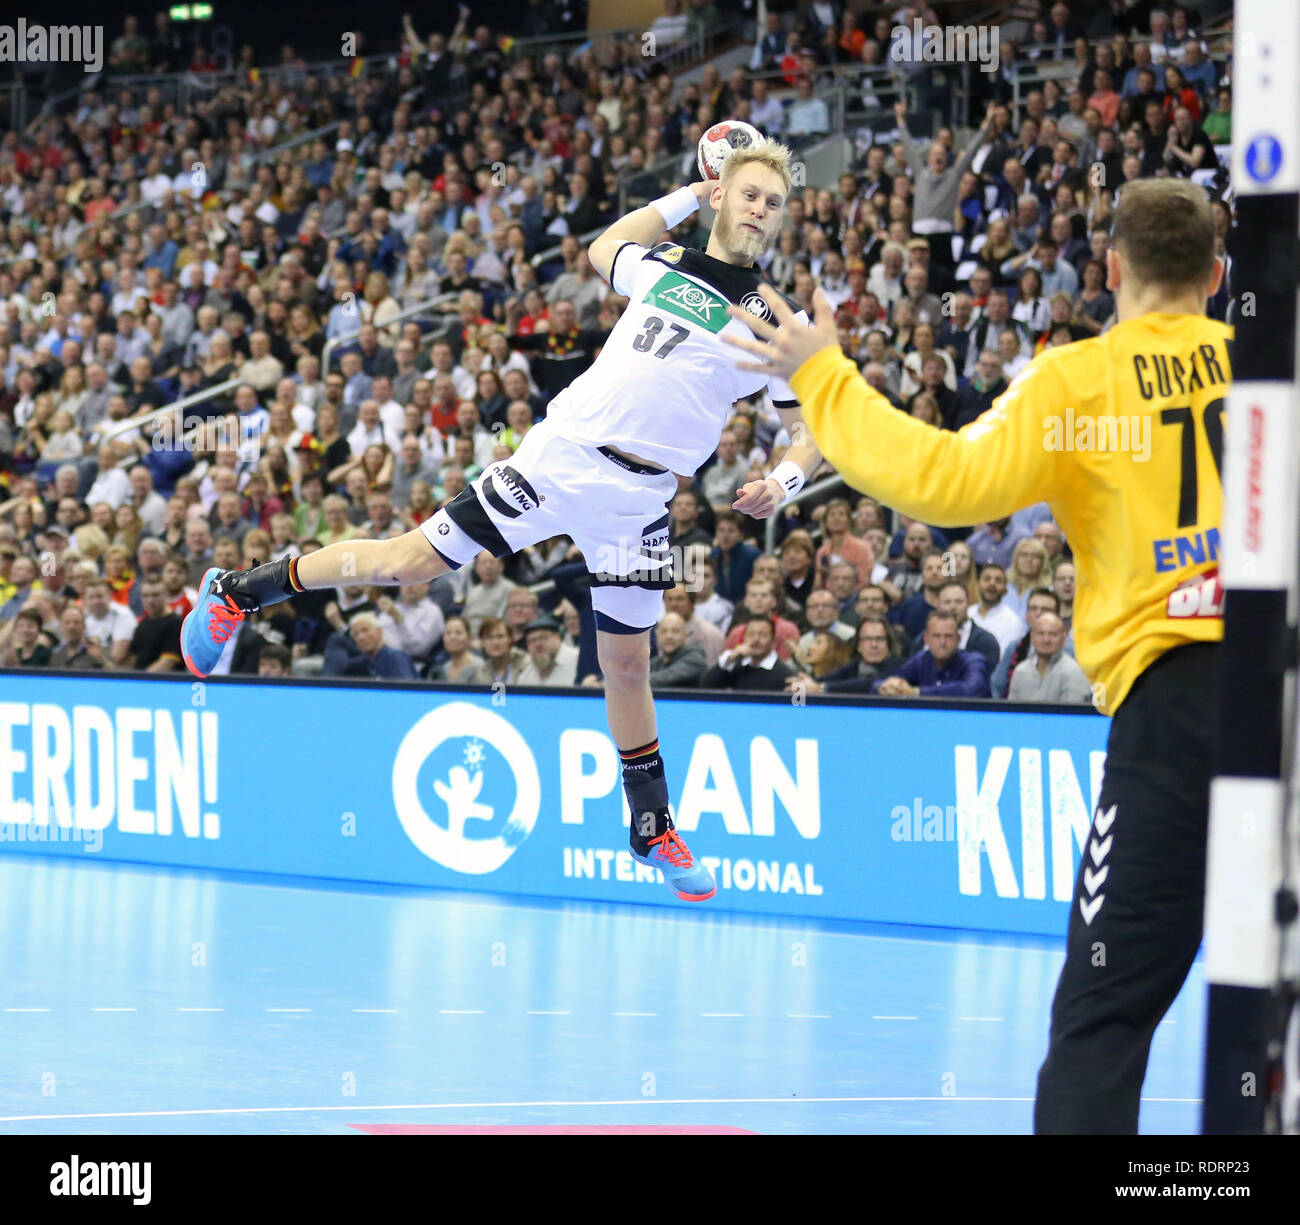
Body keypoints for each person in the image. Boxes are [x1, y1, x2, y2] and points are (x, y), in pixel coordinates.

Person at [180, 141, 827, 905]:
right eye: (749, 195)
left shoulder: (774, 320)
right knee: (411, 560)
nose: (761, 211)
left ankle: (650, 824)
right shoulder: (664, 264)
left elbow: (810, 431)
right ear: (722, 197)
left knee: (627, 664)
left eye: (774, 203)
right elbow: (604, 247)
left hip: (641, 502)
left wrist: (784, 479)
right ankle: (237, 592)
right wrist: (691, 192)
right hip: (562, 456)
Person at [727, 177, 1231, 1134]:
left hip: (1173, 717)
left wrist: (824, 372)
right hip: (1278, 688)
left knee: (1103, 1015)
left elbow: (945, 480)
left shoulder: (1077, 382)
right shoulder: (1269, 369)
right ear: (1216, 273)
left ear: (1112, 268)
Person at [1008, 611, 1093, 703]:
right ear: (1032, 638)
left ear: (1063, 638)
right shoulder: (1020, 671)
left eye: (1053, 634)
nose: (1046, 640)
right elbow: (1011, 712)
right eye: (1041, 633)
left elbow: (1071, 714)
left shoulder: (1074, 672)